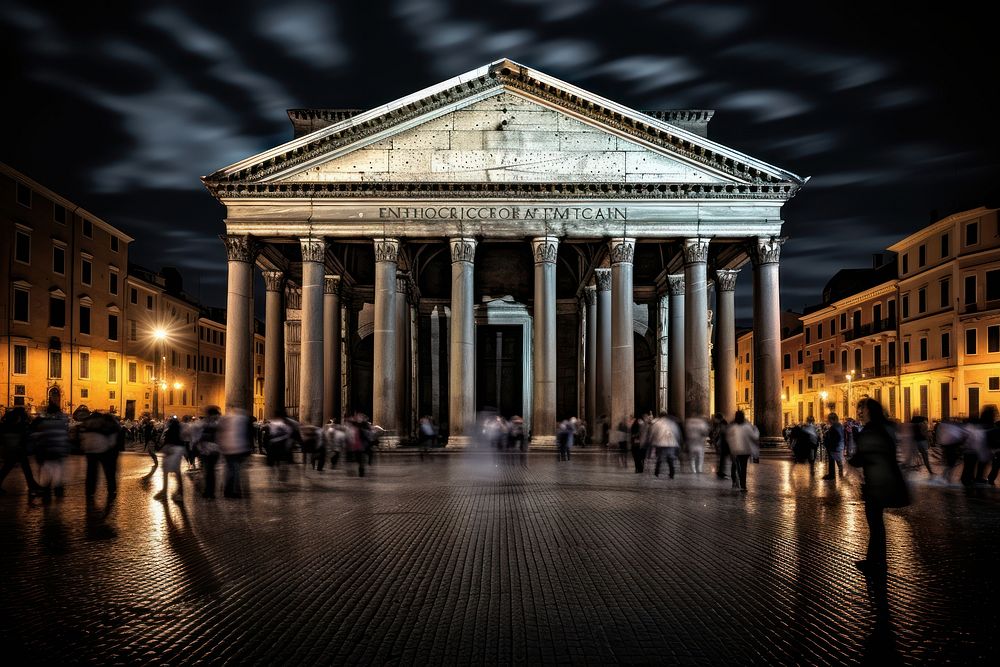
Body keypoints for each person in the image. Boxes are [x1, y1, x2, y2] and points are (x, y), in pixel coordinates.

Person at [849, 398, 910, 576]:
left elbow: (862, 456)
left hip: (878, 482)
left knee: (875, 524)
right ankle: (875, 560)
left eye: (862, 409)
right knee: (876, 524)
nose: (859, 412)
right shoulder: (885, 427)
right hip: (884, 479)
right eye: (859, 408)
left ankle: (877, 563)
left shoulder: (872, 430)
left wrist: (853, 460)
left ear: (871, 411)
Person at [31, 400, 71, 499]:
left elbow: (38, 435)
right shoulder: (63, 422)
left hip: (47, 450)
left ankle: (47, 492)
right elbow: (66, 434)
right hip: (59, 450)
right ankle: (58, 490)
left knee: (47, 471)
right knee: (58, 470)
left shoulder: (43, 423)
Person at [0, 407, 42, 496]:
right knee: (13, 468)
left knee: (11, 468)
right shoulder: (17, 422)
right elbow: (23, 433)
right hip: (16, 449)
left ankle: (32, 484)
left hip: (13, 449)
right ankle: (32, 485)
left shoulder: (9, 422)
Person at [79, 410, 121, 500]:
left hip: (89, 449)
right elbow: (111, 438)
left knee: (91, 471)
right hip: (102, 448)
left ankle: (90, 492)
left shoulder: (87, 423)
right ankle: (111, 489)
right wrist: (109, 446)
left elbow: (81, 435)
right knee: (108, 471)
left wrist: (84, 446)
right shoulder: (103, 423)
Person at [726, 411, 759, 492]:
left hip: (736, 450)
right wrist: (756, 430)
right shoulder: (747, 427)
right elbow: (754, 437)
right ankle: (743, 485)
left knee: (737, 467)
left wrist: (731, 449)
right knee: (743, 468)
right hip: (745, 451)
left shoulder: (733, 427)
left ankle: (736, 482)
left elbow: (729, 439)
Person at [156, 417, 186, 503]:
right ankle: (180, 492)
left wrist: (161, 448)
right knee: (177, 473)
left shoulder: (168, 431)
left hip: (170, 450)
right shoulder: (180, 431)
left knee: (166, 472)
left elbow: (165, 441)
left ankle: (164, 491)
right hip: (178, 451)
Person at [195, 406, 222, 498]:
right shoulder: (213, 423)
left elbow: (198, 436)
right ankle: (209, 491)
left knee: (209, 471)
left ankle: (209, 491)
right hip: (209, 450)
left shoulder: (205, 423)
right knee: (209, 471)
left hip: (210, 450)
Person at [650, 412, 682, 478]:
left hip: (660, 443)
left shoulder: (657, 423)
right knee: (670, 458)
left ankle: (657, 472)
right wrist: (679, 442)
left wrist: (651, 441)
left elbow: (653, 433)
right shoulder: (671, 423)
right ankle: (672, 473)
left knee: (660, 458)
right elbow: (677, 433)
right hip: (671, 443)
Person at [821, 413, 845, 480]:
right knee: (838, 461)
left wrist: (826, 438)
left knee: (832, 461)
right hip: (839, 446)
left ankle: (832, 475)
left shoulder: (833, 427)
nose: (828, 421)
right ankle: (839, 474)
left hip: (834, 447)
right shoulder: (840, 425)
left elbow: (833, 438)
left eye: (829, 419)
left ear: (832, 419)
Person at [710, 413, 729, 480]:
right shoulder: (721, 423)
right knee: (721, 458)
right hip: (722, 444)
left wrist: (716, 439)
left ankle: (721, 471)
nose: (714, 420)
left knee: (722, 458)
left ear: (718, 418)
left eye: (715, 418)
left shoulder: (723, 423)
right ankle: (720, 471)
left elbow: (722, 433)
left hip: (723, 444)